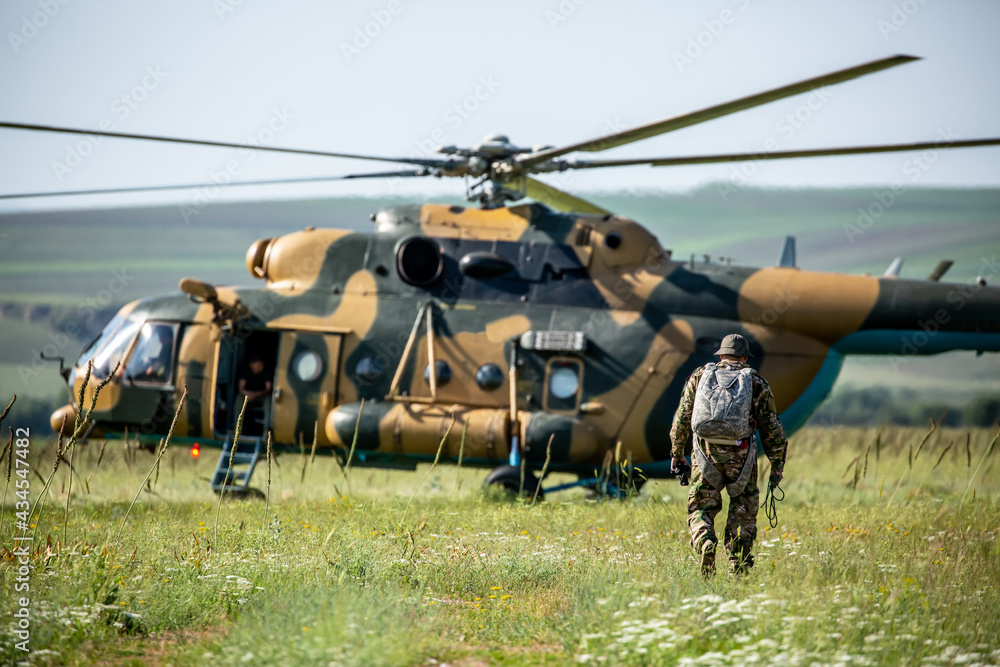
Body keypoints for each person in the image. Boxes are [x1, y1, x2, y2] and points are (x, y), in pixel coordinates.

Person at [669, 333, 787, 576]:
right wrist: (777, 463)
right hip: (741, 457)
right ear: (744, 357)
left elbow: (682, 417)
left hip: (704, 454)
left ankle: (705, 541)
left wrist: (677, 452)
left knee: (701, 507)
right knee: (742, 510)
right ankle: (738, 565)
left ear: (721, 355)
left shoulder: (700, 376)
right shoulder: (756, 382)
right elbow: (771, 427)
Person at [238, 355, 272, 435]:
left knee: (269, 400)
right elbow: (241, 388)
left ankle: (266, 431)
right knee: (238, 399)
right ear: (251, 365)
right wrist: (248, 394)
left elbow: (268, 389)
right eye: (258, 365)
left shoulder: (267, 372)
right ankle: (237, 428)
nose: (260, 366)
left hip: (261, 397)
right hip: (248, 397)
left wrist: (256, 394)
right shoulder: (246, 371)